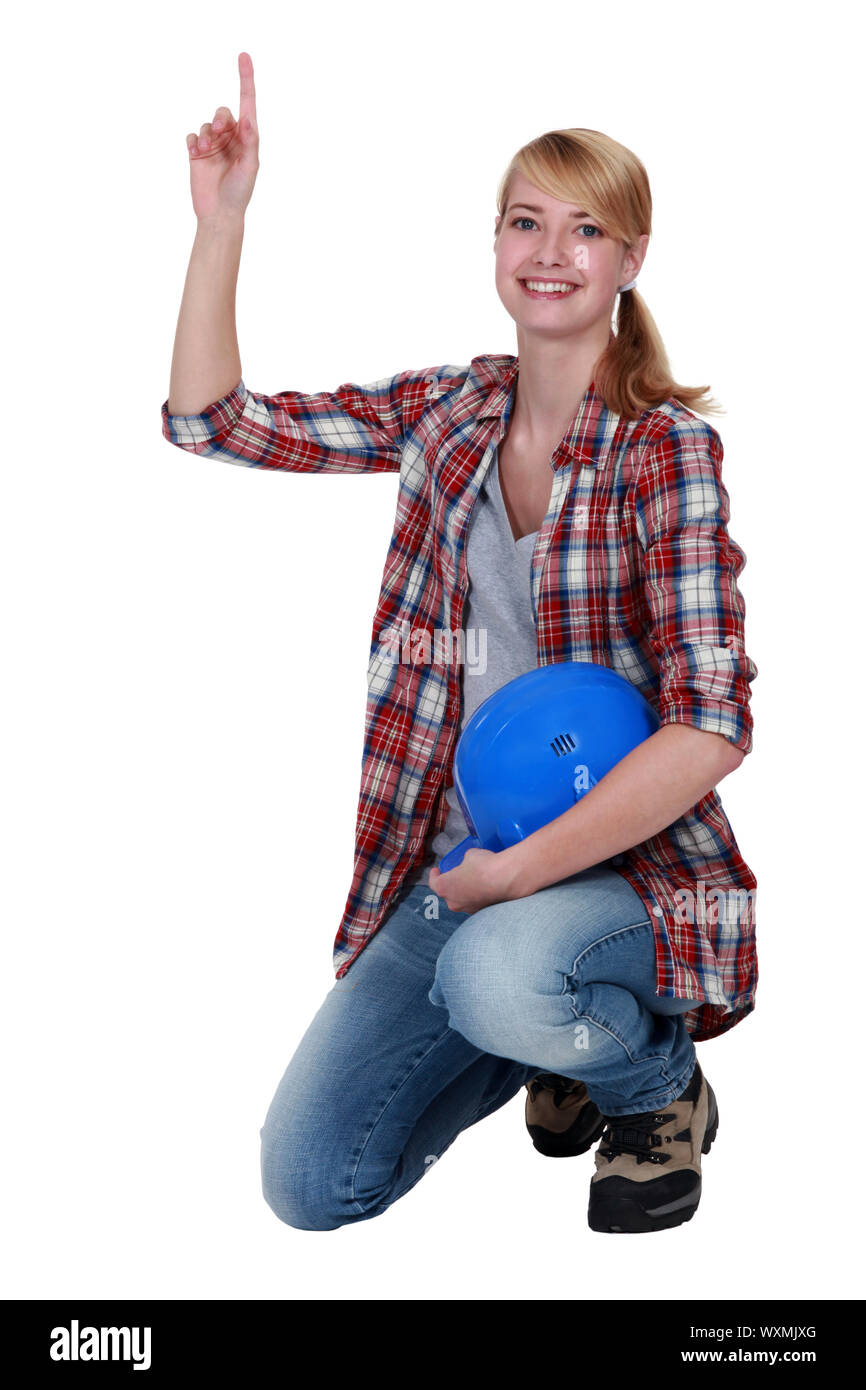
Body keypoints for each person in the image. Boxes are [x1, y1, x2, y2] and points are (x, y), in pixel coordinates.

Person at [162, 52, 758, 1235]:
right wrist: (222, 224)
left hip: (630, 877)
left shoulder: (661, 453)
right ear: (494, 246)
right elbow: (211, 424)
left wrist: (508, 884)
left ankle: (647, 1082)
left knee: (497, 971)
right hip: (456, 861)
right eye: (525, 221)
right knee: (310, 1183)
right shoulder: (447, 411)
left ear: (628, 262)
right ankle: (539, 1022)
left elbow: (709, 730)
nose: (549, 251)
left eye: (585, 228)